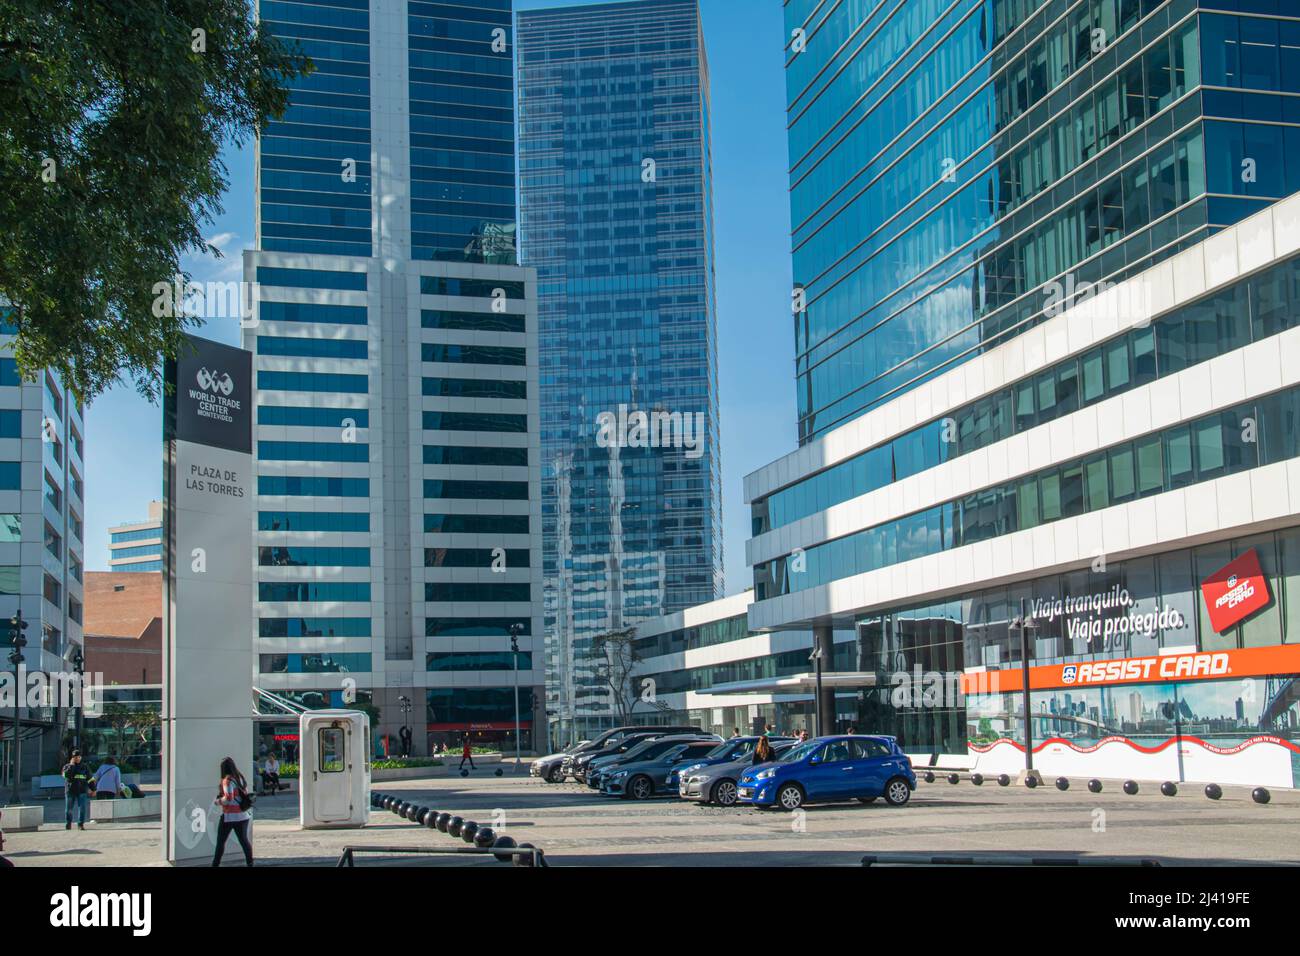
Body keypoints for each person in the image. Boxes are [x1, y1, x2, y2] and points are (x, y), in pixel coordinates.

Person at [212, 756, 253, 867]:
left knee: (220, 842)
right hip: (243, 815)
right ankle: (250, 863)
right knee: (244, 841)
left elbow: (228, 799)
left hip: (230, 817)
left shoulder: (227, 780)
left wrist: (218, 801)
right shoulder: (240, 777)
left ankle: (215, 864)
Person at [62, 750, 90, 830]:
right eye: (75, 757)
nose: (77, 758)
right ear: (72, 758)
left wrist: (93, 789)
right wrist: (71, 765)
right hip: (70, 791)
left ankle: (80, 824)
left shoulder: (85, 767)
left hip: (82, 791)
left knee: (82, 808)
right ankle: (68, 823)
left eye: (79, 757)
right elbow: (66, 775)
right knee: (68, 810)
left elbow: (90, 778)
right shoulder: (67, 766)